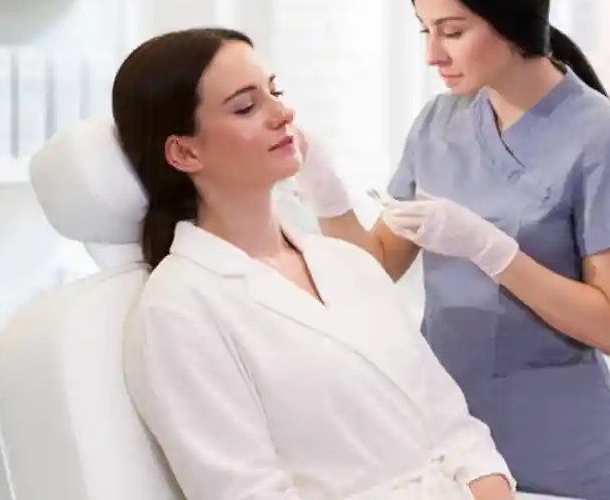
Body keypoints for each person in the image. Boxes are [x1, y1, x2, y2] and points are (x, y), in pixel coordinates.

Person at [296, 0, 610, 500]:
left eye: (453, 32)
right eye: (426, 31)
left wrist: (492, 250)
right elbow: (376, 266)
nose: (433, 53)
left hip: (559, 451)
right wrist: (326, 196)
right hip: (450, 440)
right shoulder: (440, 124)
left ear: (510, 22)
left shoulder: (603, 136)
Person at [116, 27, 514, 500]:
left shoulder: (349, 264)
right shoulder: (178, 311)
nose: (283, 113)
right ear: (184, 151)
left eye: (275, 92)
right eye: (246, 107)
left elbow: (458, 431)